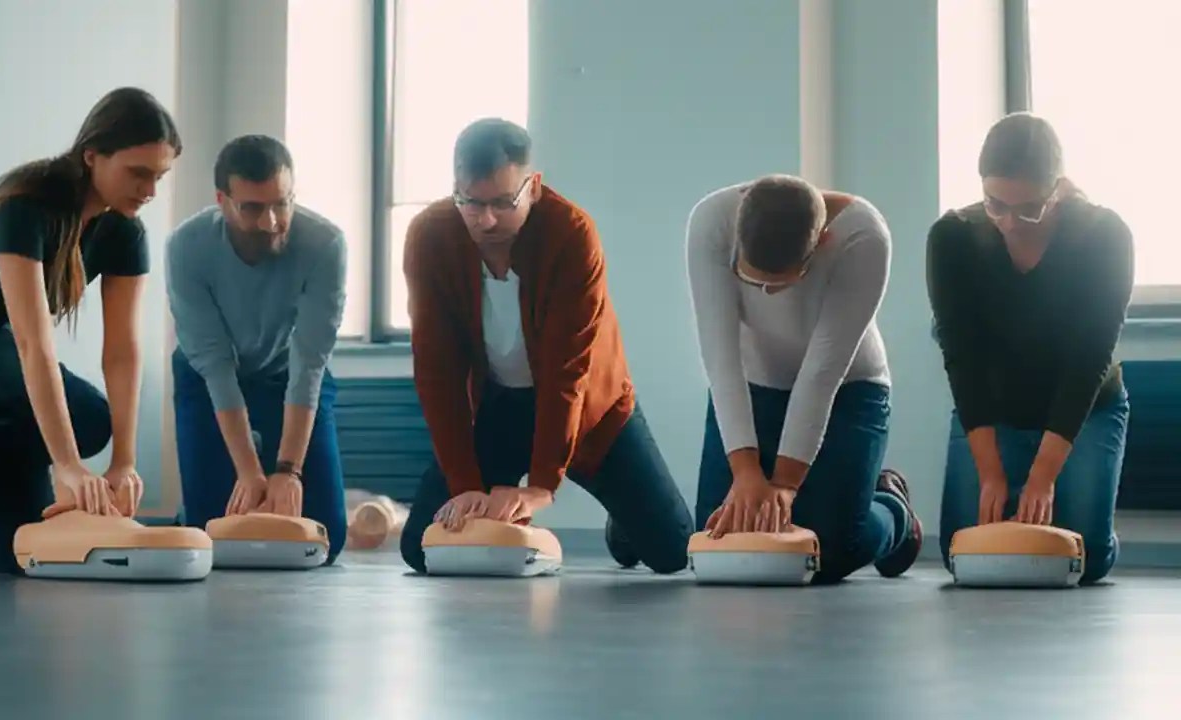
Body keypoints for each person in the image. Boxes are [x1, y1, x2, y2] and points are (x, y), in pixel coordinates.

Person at [0, 86, 181, 574]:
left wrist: (124, 462)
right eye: (138, 173)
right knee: (17, 396)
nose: (149, 191)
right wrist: (68, 466)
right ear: (92, 155)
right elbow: (34, 345)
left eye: (159, 176)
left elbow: (122, 351)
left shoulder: (124, 233)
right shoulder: (25, 207)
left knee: (28, 541)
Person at [399, 118, 694, 574]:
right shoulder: (430, 236)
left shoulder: (571, 233)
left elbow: (566, 372)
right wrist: (465, 485)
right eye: (471, 203)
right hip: (500, 405)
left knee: (672, 552)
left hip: (592, 410)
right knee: (421, 549)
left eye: (502, 202)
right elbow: (436, 372)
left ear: (532, 186)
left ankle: (623, 523)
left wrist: (540, 486)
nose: (486, 219)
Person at [686, 174, 923, 584]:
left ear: (821, 244)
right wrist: (746, 474)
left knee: (827, 552)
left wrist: (784, 486)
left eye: (779, 286)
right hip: (754, 382)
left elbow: (821, 373)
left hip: (850, 388)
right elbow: (721, 359)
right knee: (720, 536)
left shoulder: (863, 237)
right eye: (752, 281)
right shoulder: (710, 221)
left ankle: (893, 510)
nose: (764, 294)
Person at [928, 112, 1133, 584]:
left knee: (1084, 559)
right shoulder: (952, 238)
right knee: (967, 555)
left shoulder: (1105, 236)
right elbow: (961, 358)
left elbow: (1089, 360)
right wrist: (991, 472)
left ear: (1057, 189)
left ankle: (1090, 516)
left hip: (1084, 411)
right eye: (995, 204)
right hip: (994, 411)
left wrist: (1042, 478)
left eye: (1028, 210)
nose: (1009, 223)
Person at [166, 134, 348, 563]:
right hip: (206, 375)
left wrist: (287, 471)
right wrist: (250, 473)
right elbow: (215, 366)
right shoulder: (187, 247)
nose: (271, 221)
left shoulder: (326, 245)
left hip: (289, 372)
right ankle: (189, 509)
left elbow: (309, 363)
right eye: (252, 208)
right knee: (208, 536)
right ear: (223, 201)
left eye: (281, 204)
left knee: (325, 539)